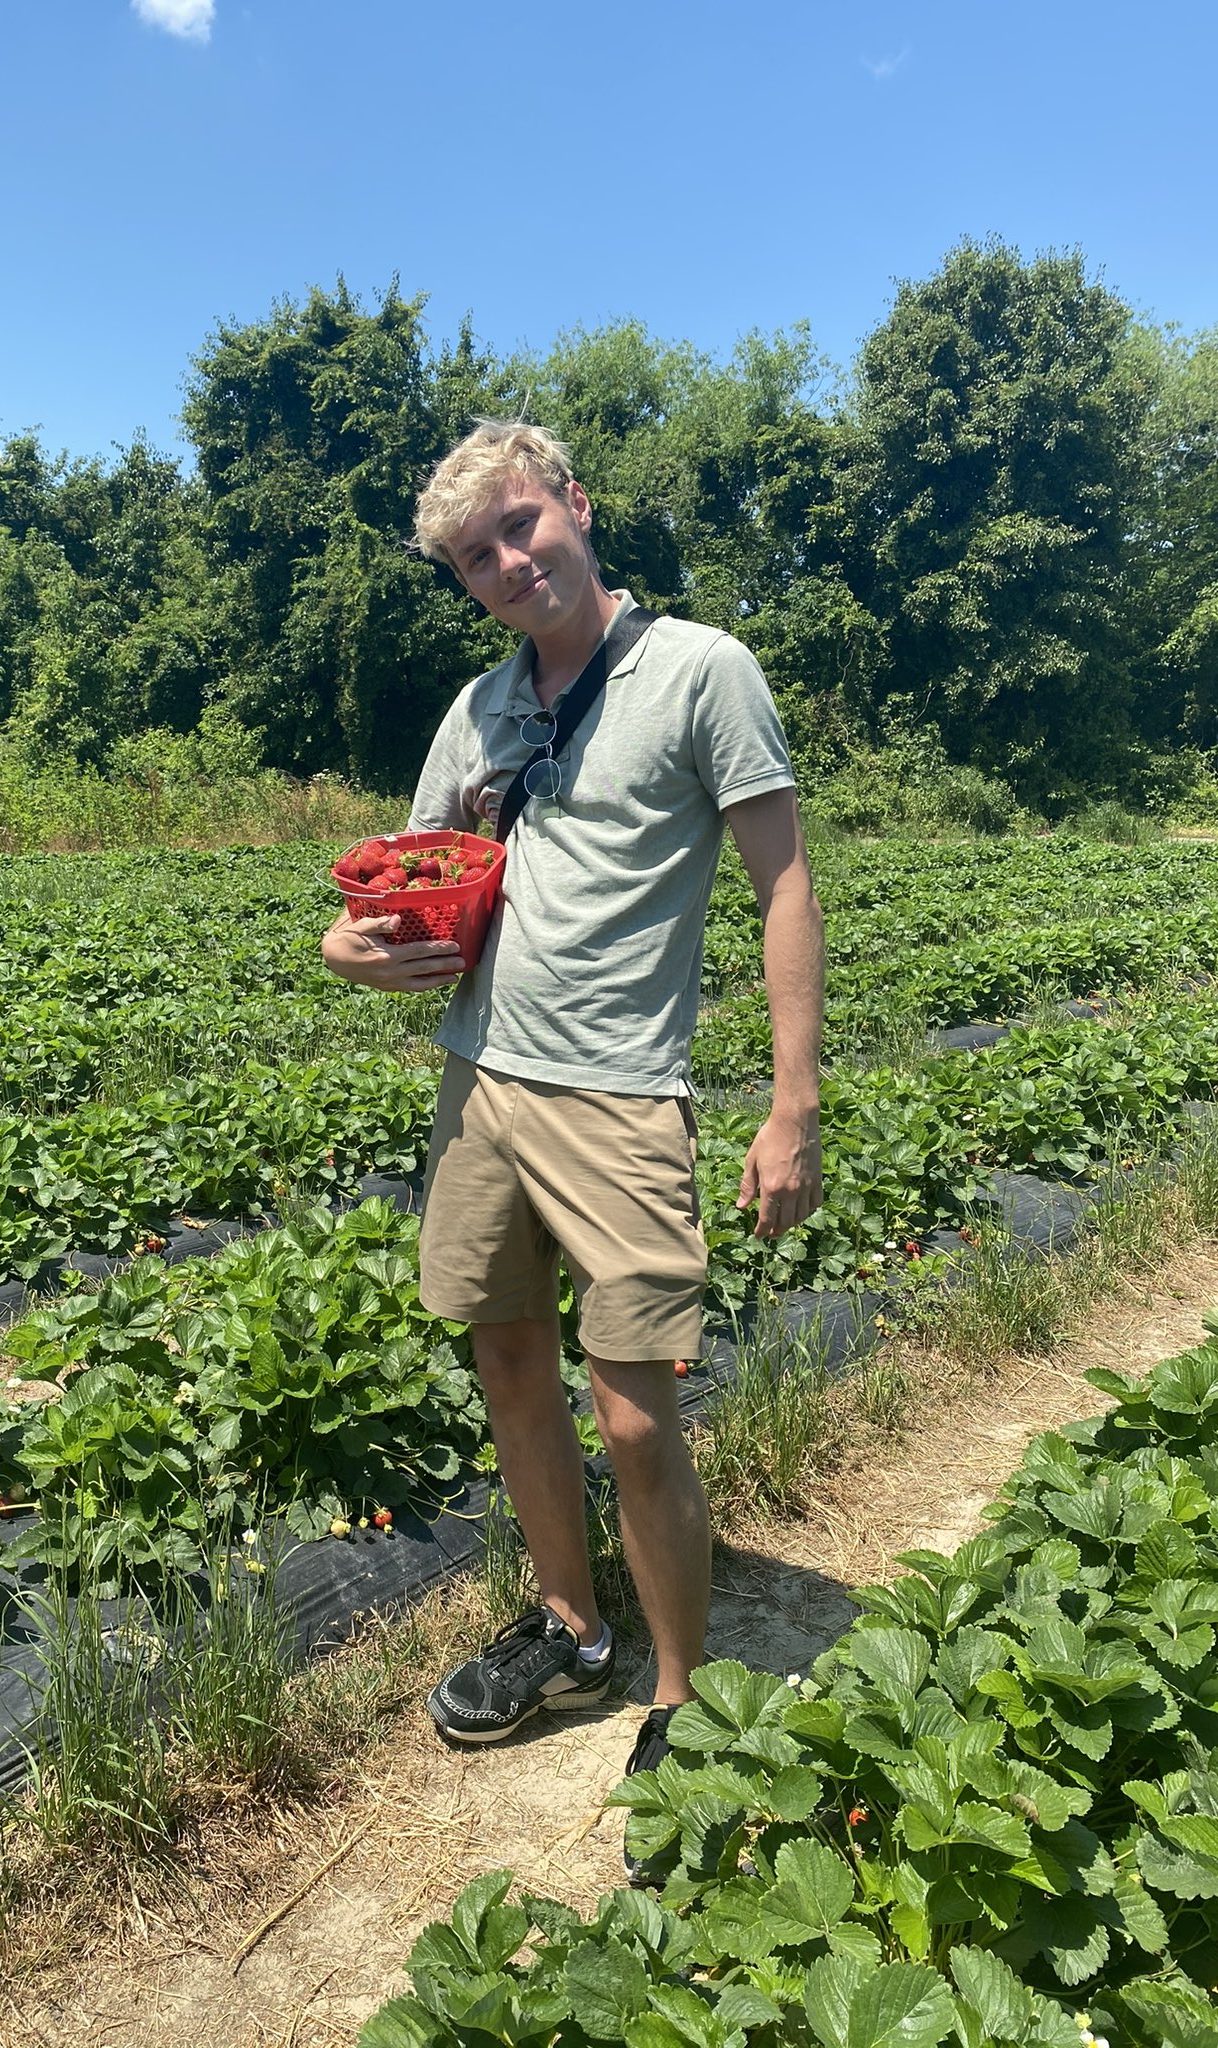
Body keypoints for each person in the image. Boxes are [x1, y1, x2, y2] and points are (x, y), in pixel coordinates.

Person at [320, 420, 824, 1805]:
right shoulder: (479, 710)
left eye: (522, 525)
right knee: (508, 1365)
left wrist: (793, 1105)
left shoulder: (699, 672)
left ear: (576, 506)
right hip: (478, 1086)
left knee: (638, 1412)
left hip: (619, 1096)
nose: (508, 562)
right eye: (478, 557)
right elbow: (402, 889)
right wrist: (350, 946)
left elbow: (782, 881)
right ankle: (572, 1626)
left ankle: (685, 1693)